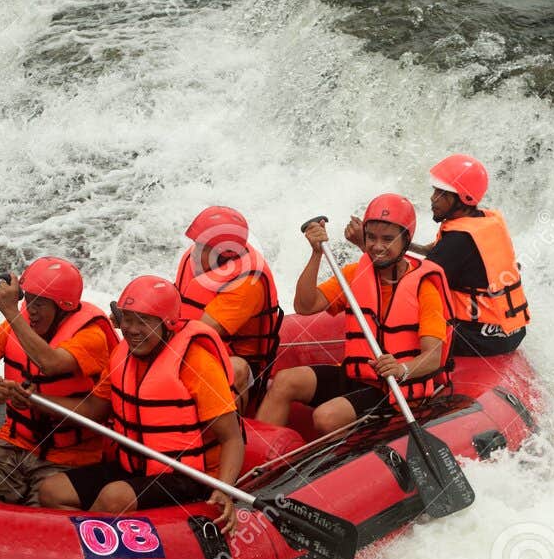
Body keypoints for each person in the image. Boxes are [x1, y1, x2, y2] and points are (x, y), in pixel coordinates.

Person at [33, 275, 243, 534]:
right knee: (52, 490)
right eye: (127, 319)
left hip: (187, 476)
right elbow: (94, 410)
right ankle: (85, 544)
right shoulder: (121, 355)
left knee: (114, 497)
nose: (132, 329)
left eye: (144, 321)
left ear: (167, 324)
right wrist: (35, 400)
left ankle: (81, 546)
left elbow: (232, 438)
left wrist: (224, 489)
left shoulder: (197, 362)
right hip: (133, 466)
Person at [256, 194, 454, 434]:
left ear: (406, 241)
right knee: (285, 381)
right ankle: (261, 453)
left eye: (388, 239)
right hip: (356, 374)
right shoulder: (355, 274)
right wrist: (316, 254)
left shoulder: (424, 287)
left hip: (396, 388)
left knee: (326, 417)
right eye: (371, 237)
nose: (377, 246)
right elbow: (305, 306)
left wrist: (401, 369)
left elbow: (432, 357)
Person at [0, 256, 118, 505]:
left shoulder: (91, 336)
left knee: (41, 514)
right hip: (14, 442)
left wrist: (11, 312)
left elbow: (51, 363)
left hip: (69, 455)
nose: (31, 309)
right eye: (29, 299)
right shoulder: (17, 325)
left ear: (63, 307)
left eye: (40, 303)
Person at [417, 154, 530, 356]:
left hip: (479, 340)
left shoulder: (458, 240)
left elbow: (415, 284)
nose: (433, 198)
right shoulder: (485, 221)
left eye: (442, 194)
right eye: (435, 191)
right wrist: (401, 245)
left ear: (463, 198)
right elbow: (436, 251)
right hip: (513, 332)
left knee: (401, 316)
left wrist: (367, 247)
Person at [173, 206, 282, 408]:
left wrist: (154, 327)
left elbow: (201, 332)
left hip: (242, 365)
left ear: (223, 254)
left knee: (235, 367)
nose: (193, 253)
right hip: (192, 351)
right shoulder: (196, 259)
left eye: (201, 247)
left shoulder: (247, 283)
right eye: (196, 243)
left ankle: (228, 423)